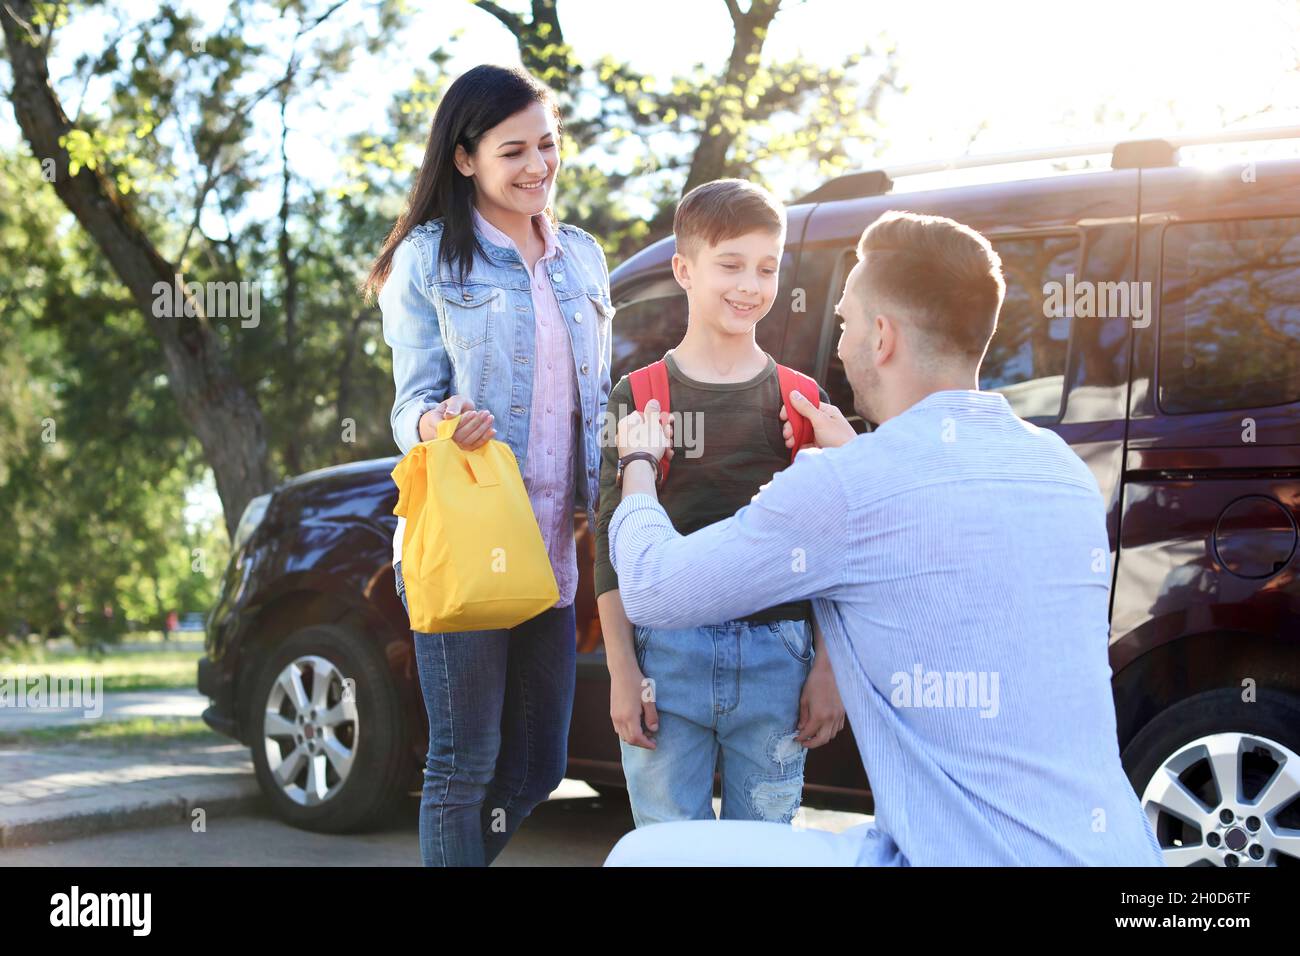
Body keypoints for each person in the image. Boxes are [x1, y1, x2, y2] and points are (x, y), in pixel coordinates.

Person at [604, 210, 1165, 866]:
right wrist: (852, 461)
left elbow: (648, 586)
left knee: (646, 857)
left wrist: (638, 462)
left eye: (842, 324)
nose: (839, 346)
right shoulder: (1061, 470)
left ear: (881, 336)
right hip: (1121, 857)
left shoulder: (848, 486)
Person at [364, 64, 612, 867]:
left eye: (548, 144)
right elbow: (410, 404)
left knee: (539, 763)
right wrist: (435, 422)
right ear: (466, 158)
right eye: (515, 151)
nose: (538, 165)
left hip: (550, 546)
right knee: (462, 764)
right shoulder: (429, 258)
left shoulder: (582, 258)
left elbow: (594, 395)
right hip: (468, 537)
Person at [594, 179, 845, 829]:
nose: (750, 286)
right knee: (668, 845)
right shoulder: (638, 393)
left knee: (762, 848)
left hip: (777, 662)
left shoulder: (800, 400)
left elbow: (828, 552)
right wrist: (623, 671)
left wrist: (828, 667)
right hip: (666, 661)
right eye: (729, 265)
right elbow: (610, 541)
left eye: (766, 268)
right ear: (684, 269)